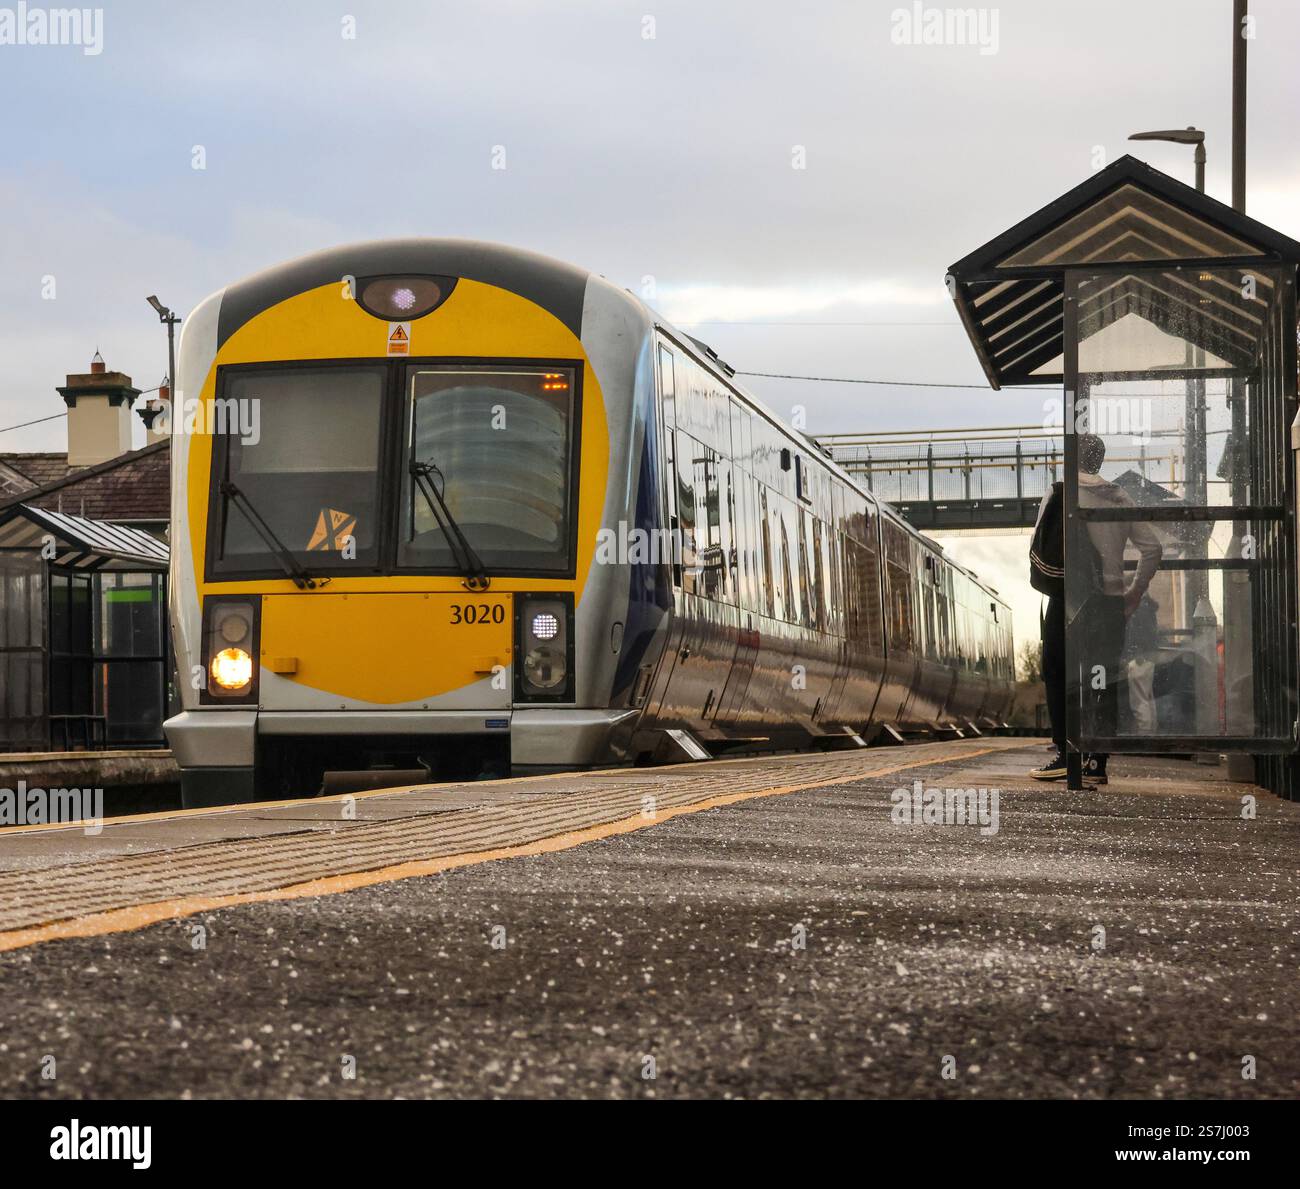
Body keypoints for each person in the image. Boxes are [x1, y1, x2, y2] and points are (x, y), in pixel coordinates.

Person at [1029, 433, 1162, 784]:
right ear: (1100, 462)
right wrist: (1133, 593)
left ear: (1071, 460)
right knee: (1102, 676)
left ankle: (1064, 751)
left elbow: (1038, 544)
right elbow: (1153, 549)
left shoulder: (1059, 493)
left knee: (1058, 670)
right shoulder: (1120, 497)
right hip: (1109, 604)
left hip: (1070, 601)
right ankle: (1097, 760)